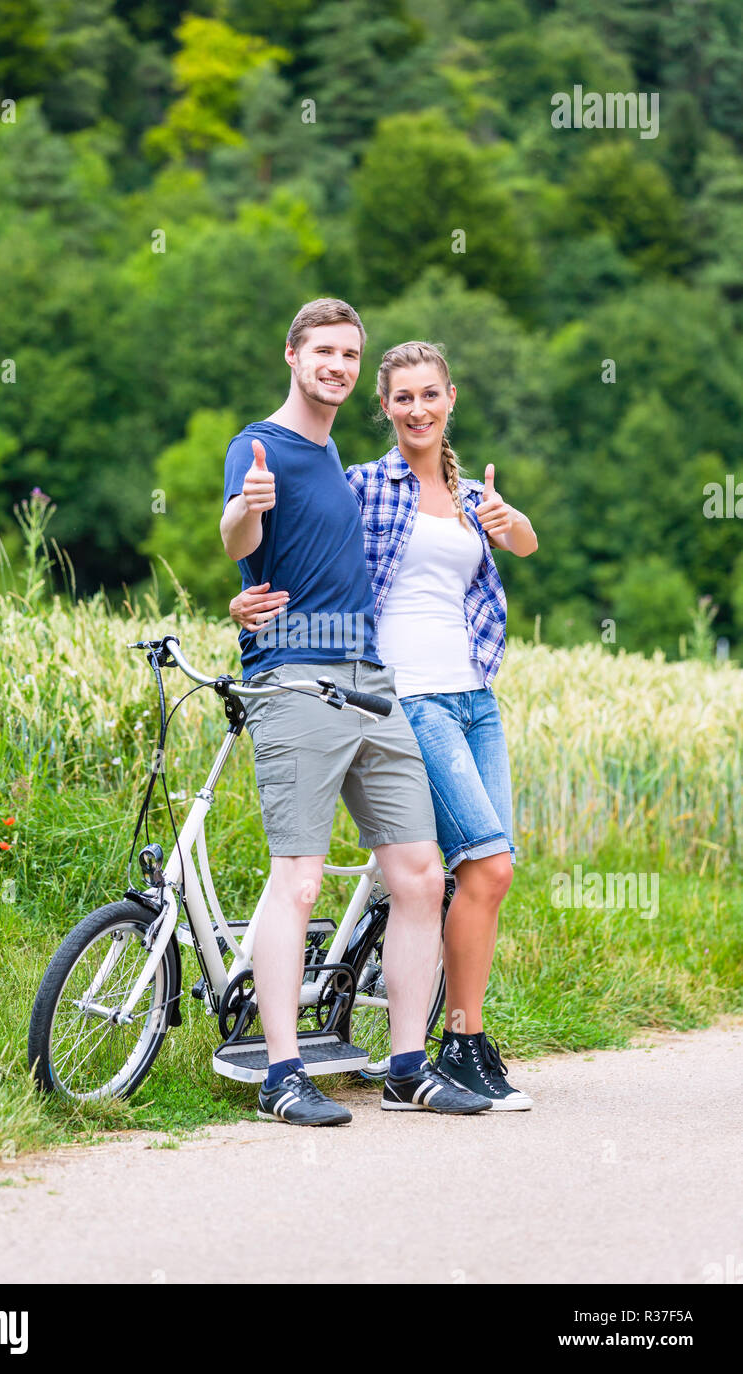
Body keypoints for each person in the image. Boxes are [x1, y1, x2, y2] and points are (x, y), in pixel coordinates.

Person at [231, 340, 537, 1110]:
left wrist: (511, 520)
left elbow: (523, 547)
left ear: (452, 398)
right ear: (384, 405)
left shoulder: (472, 497)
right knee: (480, 865)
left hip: (464, 692)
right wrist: (246, 600)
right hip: (402, 691)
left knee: (445, 876)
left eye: (430, 395)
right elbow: (290, 543)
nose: (418, 409)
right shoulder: (361, 481)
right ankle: (451, 1044)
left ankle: (424, 1058)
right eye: (402, 397)